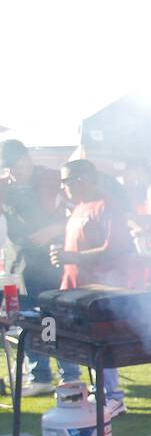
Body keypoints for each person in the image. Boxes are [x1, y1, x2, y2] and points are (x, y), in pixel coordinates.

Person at [49, 159, 133, 417]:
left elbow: (115, 249)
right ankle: (96, 392)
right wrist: (63, 257)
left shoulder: (107, 206)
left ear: (83, 179)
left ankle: (113, 397)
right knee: (81, 343)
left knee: (102, 343)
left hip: (100, 289)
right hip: (76, 288)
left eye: (67, 181)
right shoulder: (78, 208)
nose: (63, 187)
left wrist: (72, 257)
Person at [0, 139, 78, 393]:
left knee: (53, 319)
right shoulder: (4, 187)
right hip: (18, 264)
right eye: (8, 167)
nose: (13, 171)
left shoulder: (52, 180)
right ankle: (40, 375)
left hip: (50, 263)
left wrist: (54, 229)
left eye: (16, 165)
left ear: (27, 159)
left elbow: (80, 212)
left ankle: (69, 373)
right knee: (28, 319)